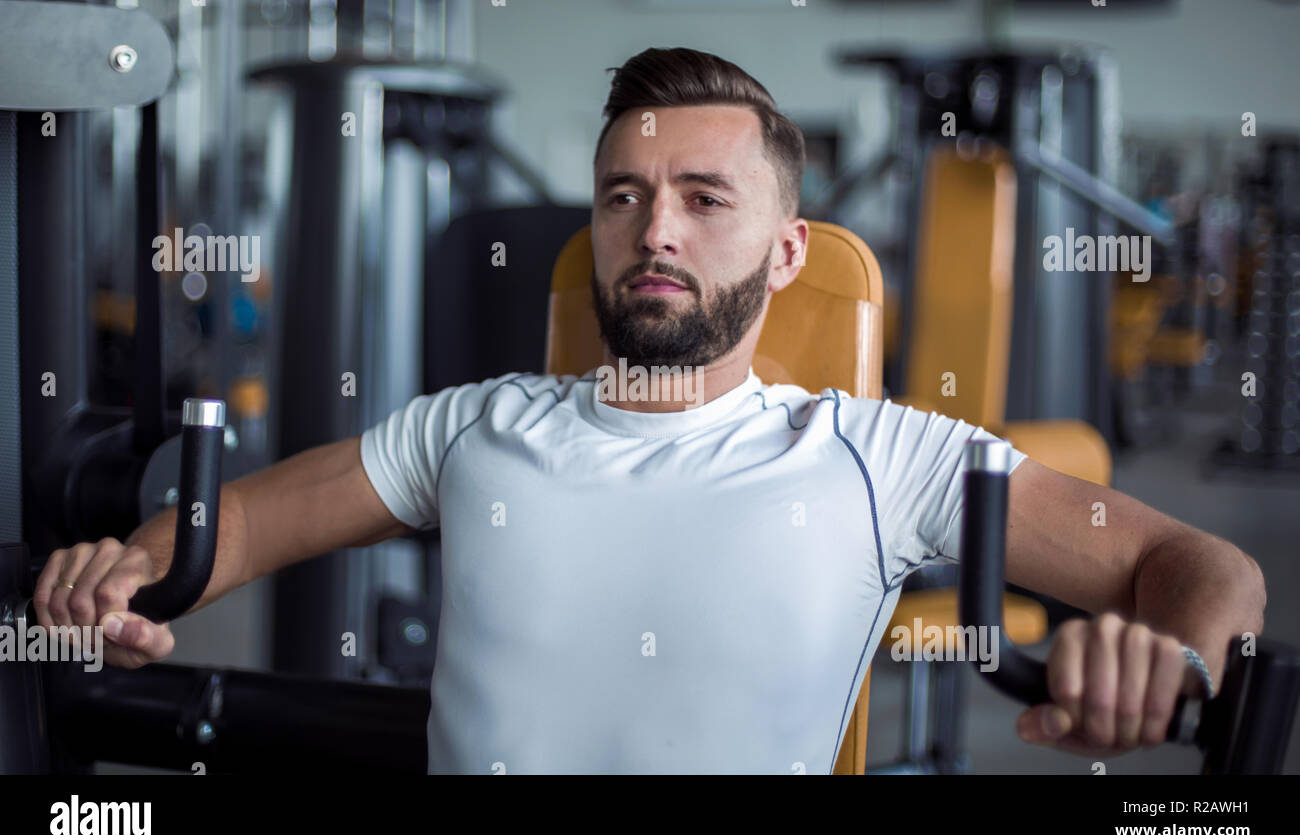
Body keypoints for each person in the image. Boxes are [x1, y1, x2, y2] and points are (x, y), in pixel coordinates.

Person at [33, 47, 1265, 774]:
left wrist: (1173, 659)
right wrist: (126, 572)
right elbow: (236, 525)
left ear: (786, 254)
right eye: (623, 195)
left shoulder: (881, 455)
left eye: (701, 197)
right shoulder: (471, 428)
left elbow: (1198, 563)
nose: (655, 228)